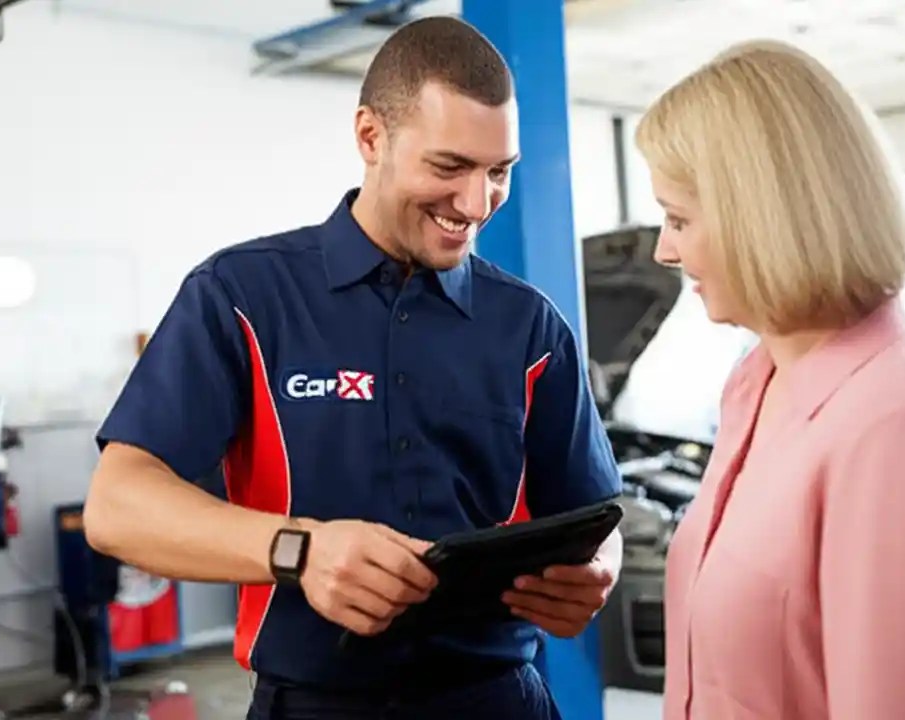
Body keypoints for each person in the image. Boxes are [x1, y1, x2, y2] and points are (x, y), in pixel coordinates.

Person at [83, 16, 623, 720]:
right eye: (449, 166)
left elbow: (594, 513)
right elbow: (117, 505)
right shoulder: (243, 297)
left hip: (498, 702)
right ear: (371, 137)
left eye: (499, 173)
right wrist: (298, 550)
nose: (475, 203)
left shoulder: (530, 327)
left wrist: (599, 569)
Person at [632, 40, 905, 719]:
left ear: (762, 217)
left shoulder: (902, 423)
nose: (665, 249)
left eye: (680, 219)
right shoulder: (757, 382)